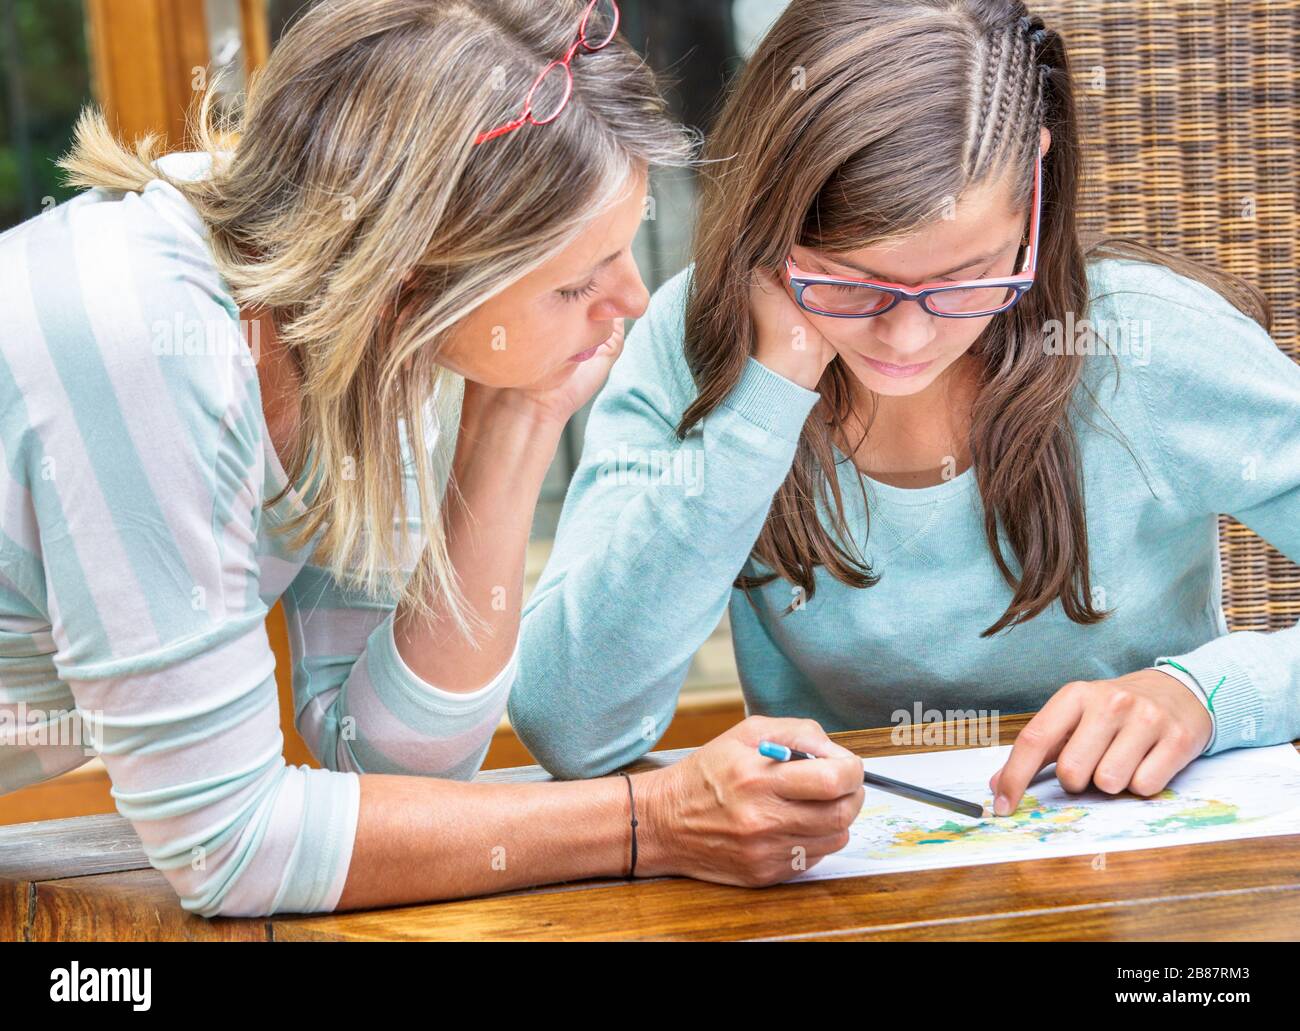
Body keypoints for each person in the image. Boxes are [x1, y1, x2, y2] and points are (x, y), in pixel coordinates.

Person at [0, 0, 865, 919]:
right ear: (411, 277)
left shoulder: (363, 326)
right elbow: (233, 846)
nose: (635, 299)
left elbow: (382, 765)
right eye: (579, 278)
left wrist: (518, 423)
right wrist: (649, 819)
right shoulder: (140, 333)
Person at [511, 0, 1300, 818]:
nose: (908, 336)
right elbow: (571, 725)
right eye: (851, 279)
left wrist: (1210, 695)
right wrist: (765, 399)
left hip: (1151, 877)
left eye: (966, 276)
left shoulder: (1149, 344)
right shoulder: (695, 345)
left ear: (1034, 190)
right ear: (768, 221)